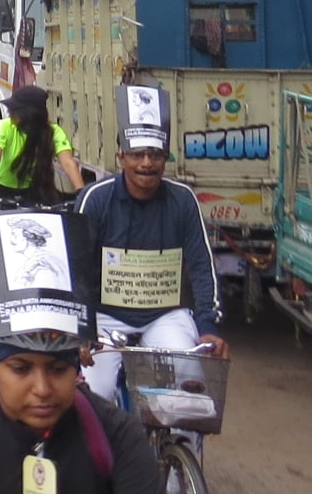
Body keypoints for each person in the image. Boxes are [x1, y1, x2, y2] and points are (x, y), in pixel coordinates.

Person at [74, 113, 230, 403]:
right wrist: (80, 330)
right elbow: (76, 269)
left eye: (155, 155)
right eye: (137, 154)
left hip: (165, 315)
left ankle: (177, 447)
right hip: (105, 319)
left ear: (166, 159)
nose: (147, 163)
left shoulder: (183, 200)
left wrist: (208, 326)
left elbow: (201, 266)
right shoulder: (95, 199)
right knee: (95, 396)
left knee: (188, 390)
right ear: (121, 157)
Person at [0, 330, 161, 494]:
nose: (41, 389)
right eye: (21, 369)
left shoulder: (117, 434)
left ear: (77, 370)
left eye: (58, 369)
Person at [0, 85, 86, 209]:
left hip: (35, 191)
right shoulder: (3, 127)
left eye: (14, 110)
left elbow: (68, 162)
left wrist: (81, 193)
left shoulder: (53, 132)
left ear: (29, 114)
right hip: (2, 192)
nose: (10, 113)